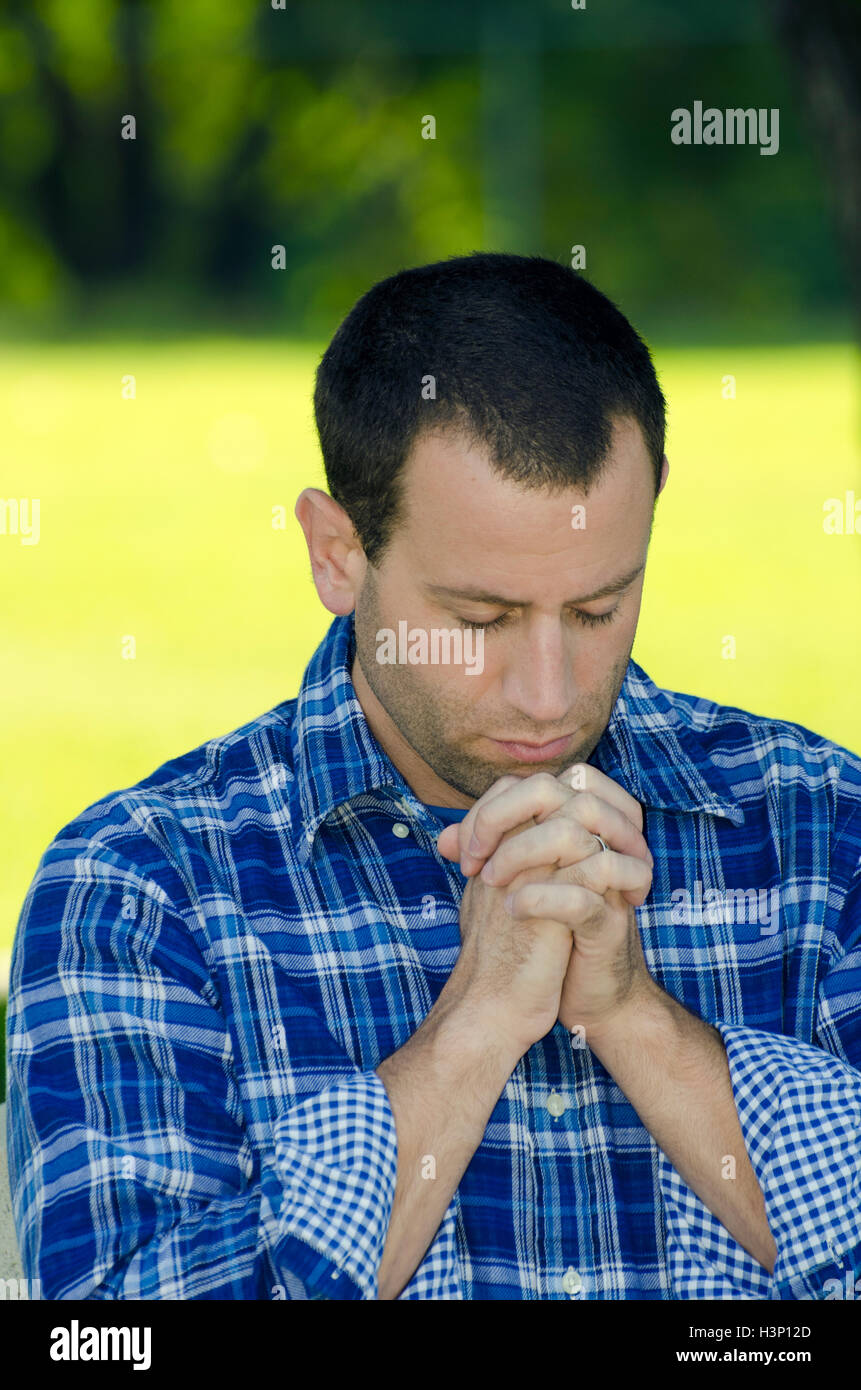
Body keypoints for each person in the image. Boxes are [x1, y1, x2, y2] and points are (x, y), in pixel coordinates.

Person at [6, 253, 861, 1301]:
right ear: (336, 553)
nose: (548, 696)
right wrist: (474, 1028)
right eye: (480, 620)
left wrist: (642, 1024)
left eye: (599, 609)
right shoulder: (143, 890)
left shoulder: (824, 828)